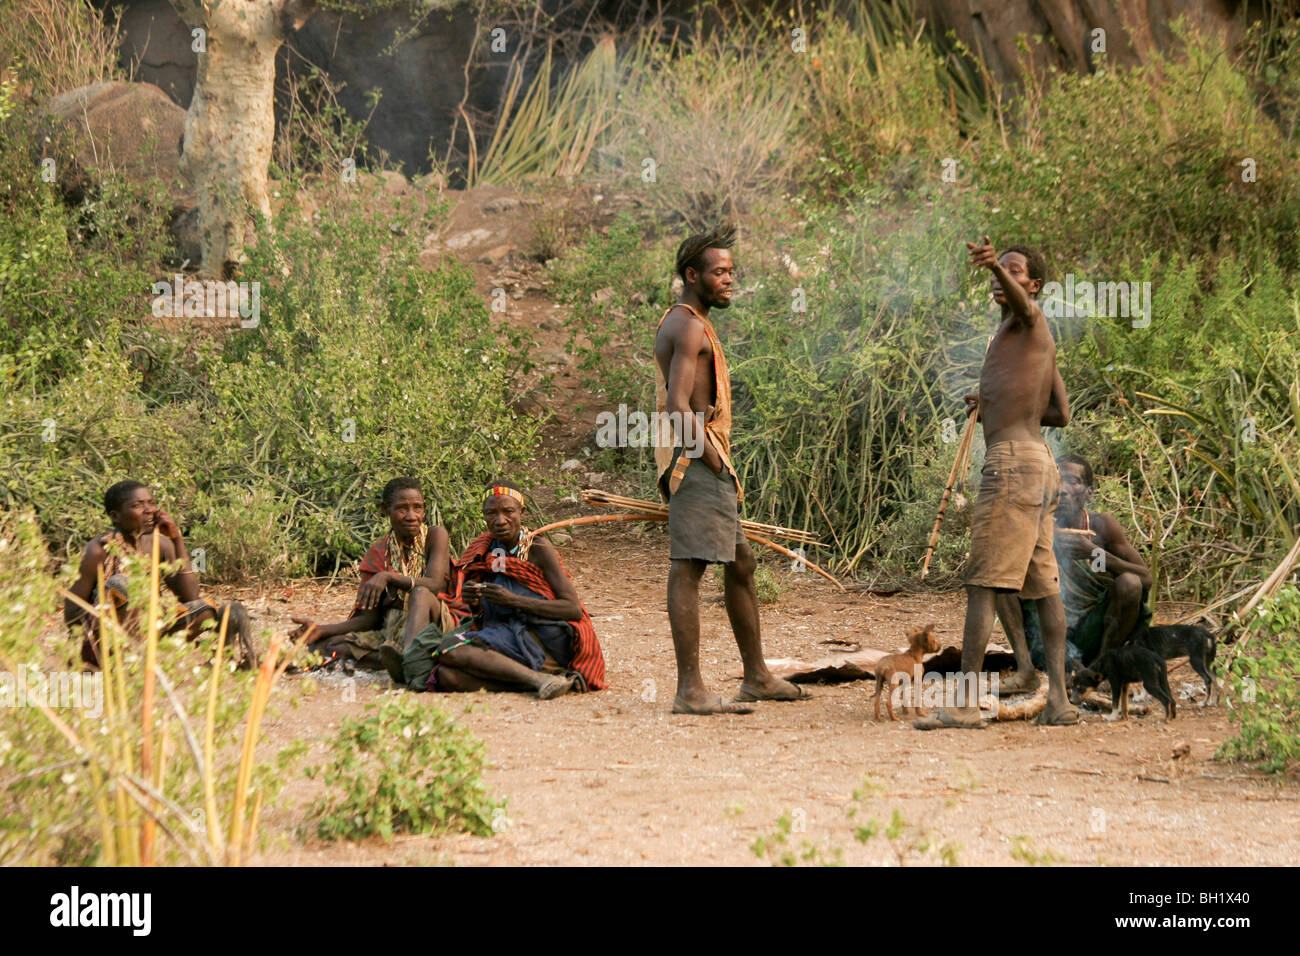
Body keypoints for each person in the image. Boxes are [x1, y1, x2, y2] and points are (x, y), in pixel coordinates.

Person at [916, 238, 1077, 729]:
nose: (998, 278)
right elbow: (1060, 413)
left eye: (1011, 270)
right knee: (1045, 590)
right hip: (1037, 466)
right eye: (996, 269)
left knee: (983, 584)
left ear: (1035, 286)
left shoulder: (1031, 320)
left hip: (1011, 467)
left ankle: (963, 706)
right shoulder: (1019, 337)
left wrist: (993, 263)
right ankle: (1059, 703)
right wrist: (997, 403)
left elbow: (1027, 308)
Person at [652, 226, 809, 715]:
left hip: (704, 456)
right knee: (689, 567)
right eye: (720, 272)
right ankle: (690, 690)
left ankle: (757, 676)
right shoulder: (689, 325)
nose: (729, 280)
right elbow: (679, 405)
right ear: (692, 275)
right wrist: (715, 461)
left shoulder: (689, 321)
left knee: (740, 564)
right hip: (698, 460)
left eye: (731, 272)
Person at [401, 482, 606, 698]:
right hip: (506, 633)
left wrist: (513, 600)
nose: (500, 521)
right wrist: (475, 600)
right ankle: (538, 680)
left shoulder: (538, 548)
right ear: (484, 516)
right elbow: (486, 609)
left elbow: (572, 609)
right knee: (445, 677)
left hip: (543, 638)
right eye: (491, 513)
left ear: (522, 512)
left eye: (508, 511)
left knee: (450, 648)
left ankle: (540, 678)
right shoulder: (488, 549)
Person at [65, 479, 257, 669]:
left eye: (151, 503)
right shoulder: (98, 550)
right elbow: (72, 614)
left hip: (150, 633)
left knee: (205, 609)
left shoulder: (160, 544)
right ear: (116, 516)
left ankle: (150, 656)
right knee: (120, 584)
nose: (149, 510)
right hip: (108, 639)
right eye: (137, 505)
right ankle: (119, 659)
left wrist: (176, 539)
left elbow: (190, 597)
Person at [996, 455, 1153, 685]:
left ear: (1089, 492)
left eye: (1073, 481)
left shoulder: (1101, 527)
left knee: (1130, 583)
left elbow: (1145, 578)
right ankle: (1026, 668)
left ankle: (1101, 669)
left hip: (1093, 634)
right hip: (1044, 634)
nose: (1064, 489)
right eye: (1057, 479)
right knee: (999, 582)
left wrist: (1094, 553)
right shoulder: (1034, 524)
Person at [290, 477, 451, 674]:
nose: (411, 516)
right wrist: (321, 629)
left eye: (417, 508)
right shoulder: (379, 552)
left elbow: (435, 585)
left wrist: (389, 577)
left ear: (424, 509)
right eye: (402, 508)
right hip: (392, 632)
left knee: (420, 593)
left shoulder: (435, 535)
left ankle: (410, 659)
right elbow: (369, 619)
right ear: (385, 509)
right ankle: (399, 661)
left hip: (433, 623)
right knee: (324, 647)